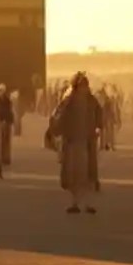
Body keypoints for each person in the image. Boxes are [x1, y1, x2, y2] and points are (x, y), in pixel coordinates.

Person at [46, 72, 102, 214]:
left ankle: (87, 204)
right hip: (73, 143)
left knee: (87, 175)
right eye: (81, 85)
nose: (83, 88)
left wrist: (98, 128)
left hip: (86, 143)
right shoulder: (69, 100)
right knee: (75, 176)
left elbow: (99, 115)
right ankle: (75, 203)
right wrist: (54, 131)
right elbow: (58, 116)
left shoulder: (90, 101)